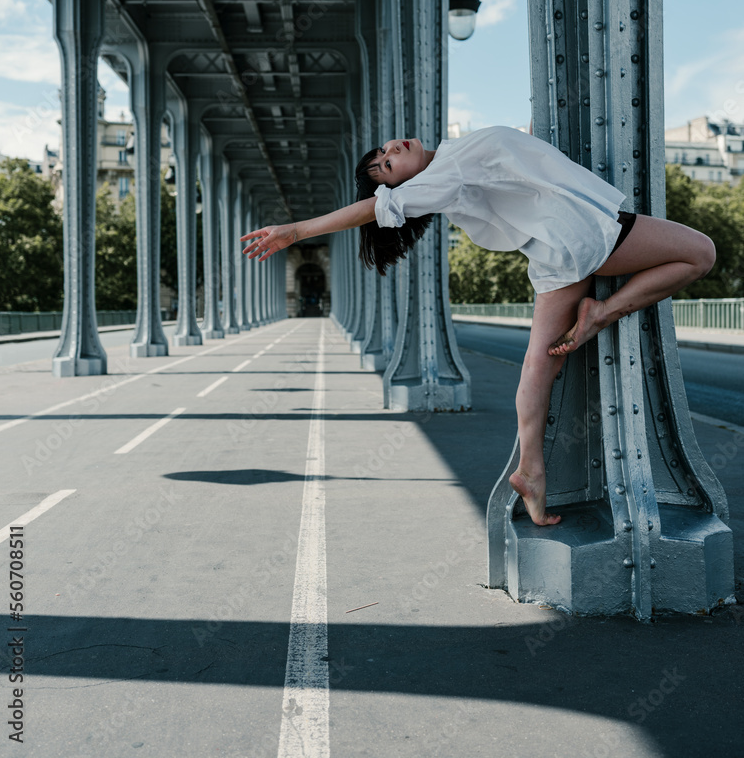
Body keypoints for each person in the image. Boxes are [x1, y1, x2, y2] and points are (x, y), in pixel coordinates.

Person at [241, 126, 715, 527]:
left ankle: (531, 469)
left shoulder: (451, 164)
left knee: (539, 361)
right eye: (385, 166)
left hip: (556, 250)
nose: (391, 151)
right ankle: (604, 312)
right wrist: (296, 231)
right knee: (700, 253)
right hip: (586, 232)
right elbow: (376, 208)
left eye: (384, 151)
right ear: (399, 187)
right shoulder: (444, 172)